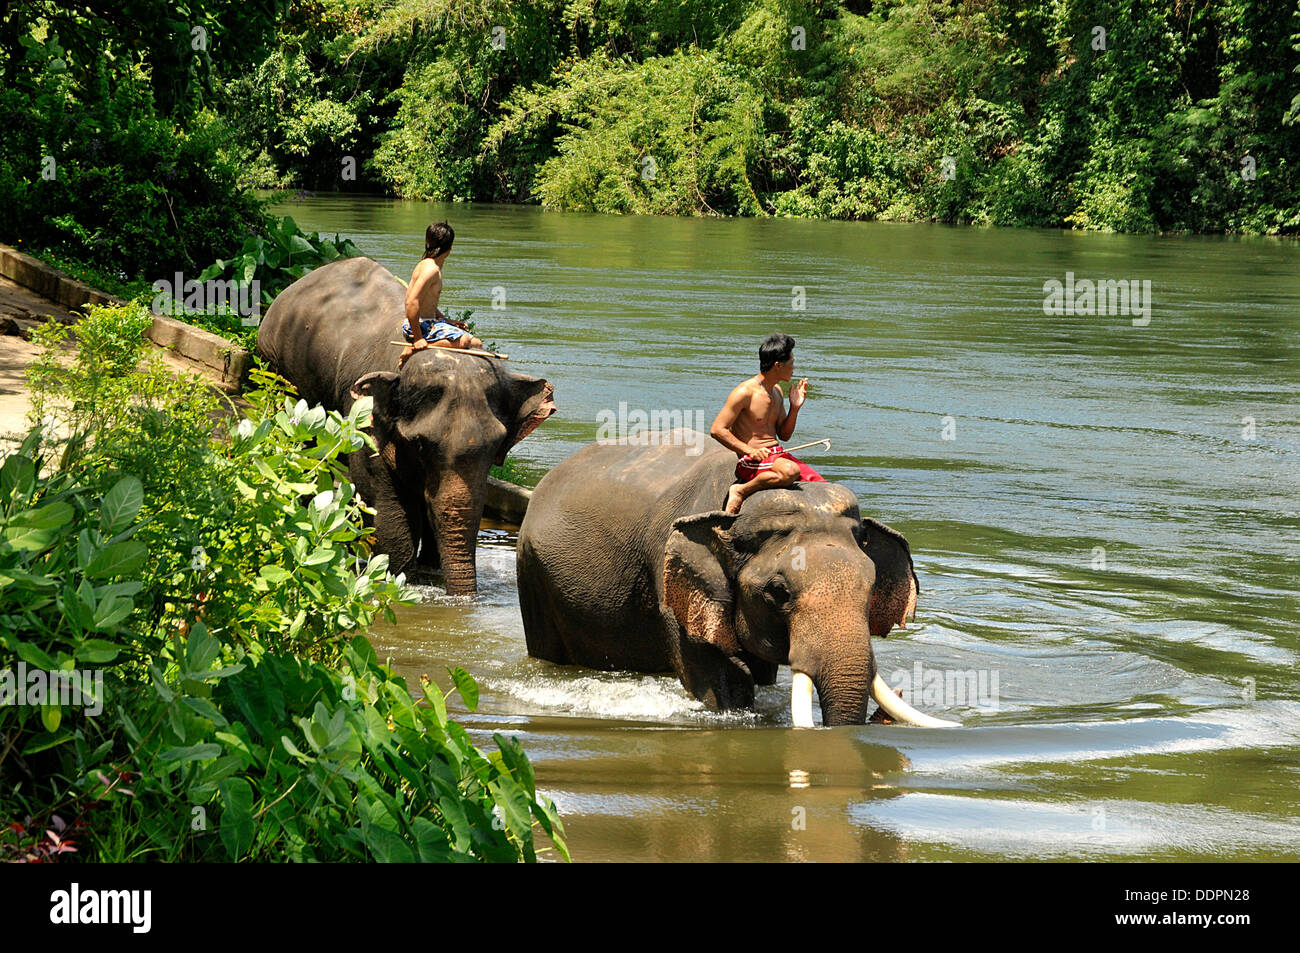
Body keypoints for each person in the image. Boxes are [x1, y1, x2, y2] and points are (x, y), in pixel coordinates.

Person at [710, 332, 825, 514]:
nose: (793, 368)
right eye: (791, 363)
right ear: (778, 365)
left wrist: (795, 407)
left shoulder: (777, 391)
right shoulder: (744, 392)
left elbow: (784, 435)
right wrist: (750, 451)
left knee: (824, 488)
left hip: (778, 456)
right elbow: (717, 429)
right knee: (790, 472)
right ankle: (741, 490)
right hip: (752, 461)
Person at [399, 221, 482, 367]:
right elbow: (411, 301)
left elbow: (426, 300)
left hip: (430, 322)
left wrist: (445, 320)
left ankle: (427, 339)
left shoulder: (428, 265)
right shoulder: (430, 270)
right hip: (420, 325)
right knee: (464, 341)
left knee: (477, 343)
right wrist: (418, 338)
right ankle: (412, 349)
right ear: (449, 247)